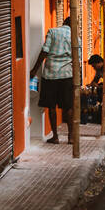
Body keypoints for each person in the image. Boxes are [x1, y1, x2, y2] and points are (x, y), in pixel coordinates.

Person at [31, 15, 74, 144]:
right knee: (68, 106)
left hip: (50, 74)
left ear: (64, 22)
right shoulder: (75, 36)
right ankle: (71, 137)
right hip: (67, 75)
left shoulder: (53, 31)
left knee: (51, 106)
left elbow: (45, 51)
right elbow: (76, 58)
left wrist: (34, 70)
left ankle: (55, 136)